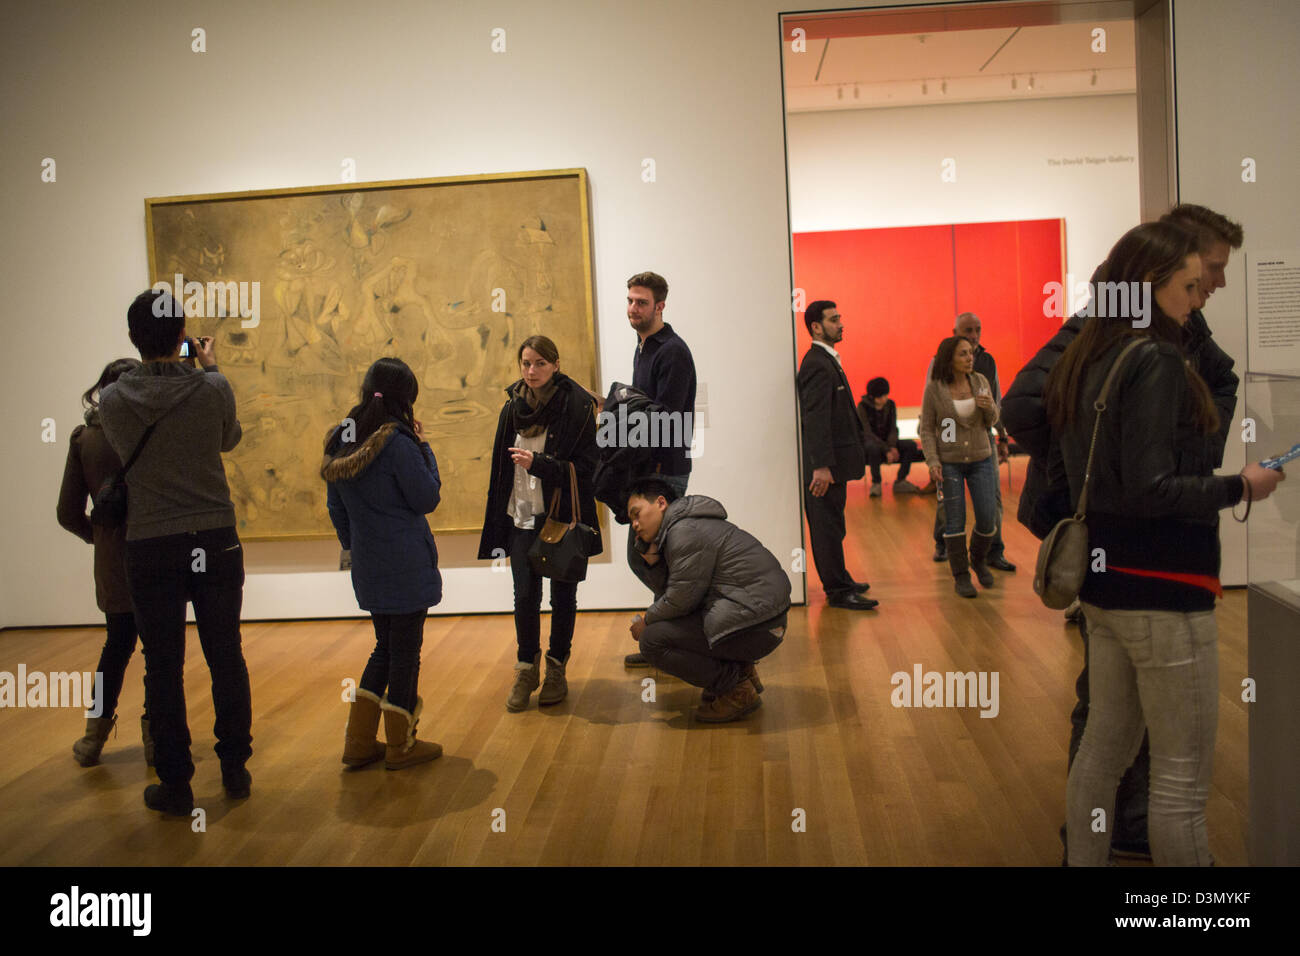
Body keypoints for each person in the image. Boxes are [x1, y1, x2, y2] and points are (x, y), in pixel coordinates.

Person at [1002, 205, 1245, 862]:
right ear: (1167, 267)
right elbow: (1027, 410)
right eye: (1204, 276)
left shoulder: (1143, 337)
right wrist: (1227, 482)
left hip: (1119, 568)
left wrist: (1182, 445)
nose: (1211, 289)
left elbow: (1218, 385)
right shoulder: (1141, 344)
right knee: (1176, 775)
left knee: (1112, 742)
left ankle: (1111, 837)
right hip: (1152, 564)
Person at [1045, 221, 1283, 866]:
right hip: (1164, 590)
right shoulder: (1153, 358)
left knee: (1101, 753)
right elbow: (1150, 488)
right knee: (1179, 780)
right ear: (1150, 286)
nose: (1197, 294)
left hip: (1107, 585)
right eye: (1187, 283)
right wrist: (1242, 486)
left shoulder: (1088, 354)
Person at [99, 290, 252, 816]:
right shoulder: (212, 388)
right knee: (225, 654)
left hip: (152, 543)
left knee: (162, 666)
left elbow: (126, 451)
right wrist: (209, 366)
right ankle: (234, 767)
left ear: (134, 337)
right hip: (214, 535)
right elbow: (228, 439)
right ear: (182, 332)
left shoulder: (115, 400)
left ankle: (176, 782)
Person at [324, 358, 444, 770]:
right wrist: (424, 447)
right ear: (405, 398)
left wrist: (357, 545)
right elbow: (426, 497)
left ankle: (358, 743)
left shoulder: (343, 438)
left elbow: (336, 508)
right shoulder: (398, 442)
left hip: (369, 565)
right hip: (407, 564)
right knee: (405, 654)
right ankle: (400, 745)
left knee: (384, 647)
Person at [478, 336, 602, 712]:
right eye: (526, 363)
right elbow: (500, 471)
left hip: (559, 518)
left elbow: (589, 470)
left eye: (540, 364)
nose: (531, 371)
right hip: (521, 517)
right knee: (525, 596)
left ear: (556, 365)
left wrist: (541, 465)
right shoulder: (511, 408)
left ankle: (557, 668)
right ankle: (525, 668)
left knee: (563, 596)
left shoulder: (577, 407)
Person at [625, 478, 790, 722]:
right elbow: (678, 593)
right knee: (669, 626)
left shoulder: (683, 532)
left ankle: (736, 688)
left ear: (661, 503)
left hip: (757, 627)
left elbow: (680, 599)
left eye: (636, 514)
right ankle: (741, 671)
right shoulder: (685, 526)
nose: (635, 525)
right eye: (631, 520)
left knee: (652, 641)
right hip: (758, 621)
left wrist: (647, 620)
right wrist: (653, 559)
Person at [57, 357, 151, 767]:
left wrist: (99, 537)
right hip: (155, 551)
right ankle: (157, 741)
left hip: (113, 559)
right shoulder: (152, 432)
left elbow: (67, 512)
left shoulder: (85, 439)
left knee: (116, 646)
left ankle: (93, 737)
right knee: (160, 652)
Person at [624, 271, 698, 666]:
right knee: (654, 555)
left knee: (648, 556)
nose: (634, 309)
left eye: (641, 302)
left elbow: (666, 418)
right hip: (648, 467)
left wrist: (623, 407)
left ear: (660, 306)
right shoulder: (644, 347)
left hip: (664, 469)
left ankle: (681, 626)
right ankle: (665, 641)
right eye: (631, 301)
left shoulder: (672, 351)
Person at [797, 300, 878, 610]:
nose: (841, 323)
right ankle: (838, 590)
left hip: (832, 465)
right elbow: (815, 417)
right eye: (834, 319)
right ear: (816, 327)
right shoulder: (817, 363)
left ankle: (841, 579)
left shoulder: (825, 360)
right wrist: (821, 467)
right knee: (826, 528)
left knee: (833, 525)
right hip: (824, 469)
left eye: (839, 317)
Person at [930, 313, 1015, 571]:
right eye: (968, 330)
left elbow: (996, 401)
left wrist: (1001, 437)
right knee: (948, 498)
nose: (974, 335)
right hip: (950, 435)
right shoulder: (939, 363)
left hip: (982, 437)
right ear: (954, 331)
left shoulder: (988, 361)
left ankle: (993, 550)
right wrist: (937, 452)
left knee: (993, 499)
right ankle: (944, 542)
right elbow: (932, 406)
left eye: (978, 329)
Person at [919, 336, 999, 598]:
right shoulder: (935, 389)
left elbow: (991, 421)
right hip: (949, 463)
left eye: (970, 353)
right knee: (955, 521)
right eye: (963, 354)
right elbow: (928, 430)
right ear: (949, 358)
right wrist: (933, 462)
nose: (969, 357)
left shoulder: (980, 381)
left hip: (981, 459)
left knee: (988, 518)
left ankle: (977, 559)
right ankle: (961, 575)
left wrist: (990, 409)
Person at [856, 376, 927, 497]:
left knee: (911, 445)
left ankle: (901, 480)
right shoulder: (862, 407)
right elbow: (867, 433)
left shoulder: (890, 405)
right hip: (871, 442)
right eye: (881, 397)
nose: (884, 399)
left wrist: (892, 446)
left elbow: (893, 428)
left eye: (885, 395)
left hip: (888, 442)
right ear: (872, 397)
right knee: (873, 448)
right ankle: (876, 482)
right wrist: (887, 449)